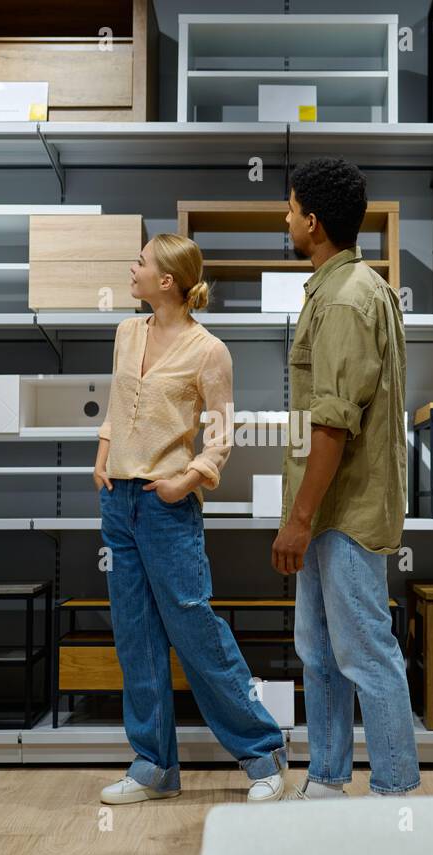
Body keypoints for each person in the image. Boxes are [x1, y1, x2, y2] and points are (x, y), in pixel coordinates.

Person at [94, 232, 288, 804]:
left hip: (166, 505)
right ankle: (154, 767)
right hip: (118, 502)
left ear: (167, 281)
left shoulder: (209, 350)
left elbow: (221, 433)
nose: (133, 269)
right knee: (135, 635)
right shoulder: (128, 333)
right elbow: (115, 405)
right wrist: (102, 458)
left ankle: (263, 755)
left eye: (141, 263)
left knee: (194, 630)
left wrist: (187, 480)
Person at [272, 157, 421, 798]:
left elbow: (332, 425)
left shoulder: (343, 300)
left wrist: (298, 520)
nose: (284, 218)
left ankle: (393, 793)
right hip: (332, 510)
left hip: (343, 512)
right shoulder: (355, 288)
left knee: (365, 653)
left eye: (289, 207)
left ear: (312, 220)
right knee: (321, 653)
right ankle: (327, 781)